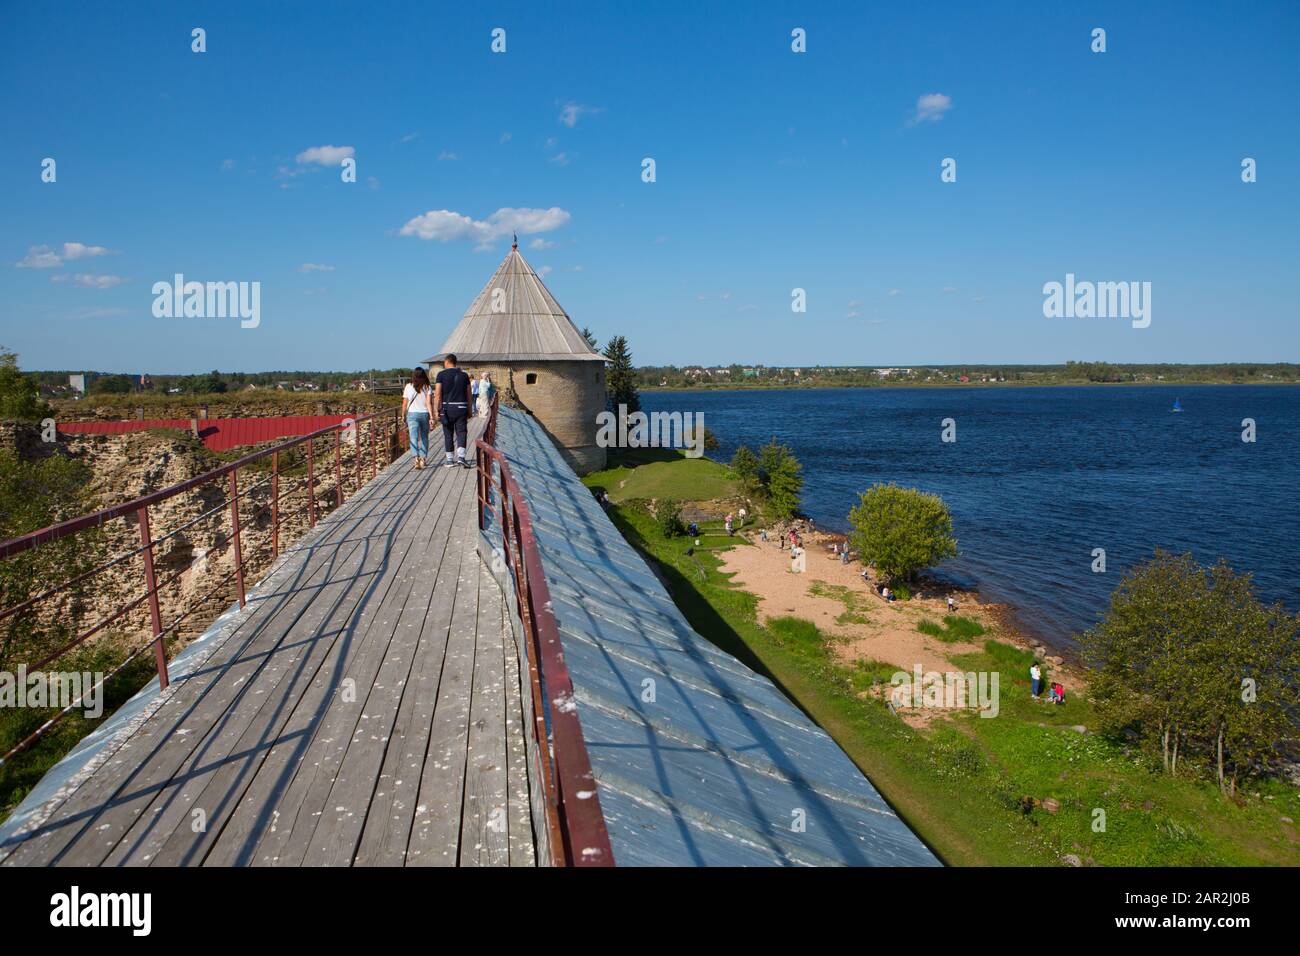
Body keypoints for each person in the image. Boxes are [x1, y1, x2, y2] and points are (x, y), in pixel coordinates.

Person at [434, 353, 473, 468]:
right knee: (461, 432)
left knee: (448, 433)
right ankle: (461, 457)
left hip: (447, 408)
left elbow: (437, 394)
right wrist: (470, 410)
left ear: (446, 362)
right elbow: (469, 394)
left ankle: (450, 460)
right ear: (455, 362)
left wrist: (437, 410)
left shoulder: (441, 375)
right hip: (461, 408)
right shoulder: (464, 376)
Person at [401, 367, 432, 469]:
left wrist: (402, 415)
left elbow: (405, 403)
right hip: (424, 414)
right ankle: (423, 459)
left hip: (412, 415)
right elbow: (428, 403)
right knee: (424, 437)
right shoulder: (427, 387)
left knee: (413, 437)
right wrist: (431, 416)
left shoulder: (408, 386)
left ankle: (416, 459)